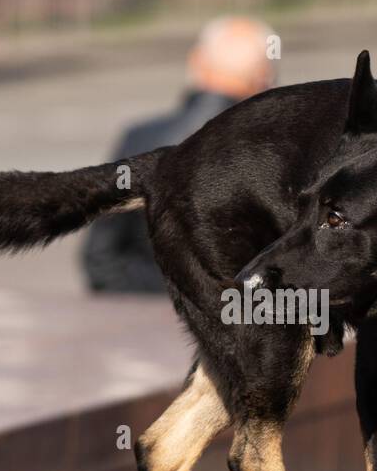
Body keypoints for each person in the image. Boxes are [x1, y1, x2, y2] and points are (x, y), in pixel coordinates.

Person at [83, 16, 277, 293]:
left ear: (197, 63)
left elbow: (100, 262)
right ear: (265, 78)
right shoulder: (279, 149)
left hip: (153, 305)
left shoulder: (138, 139)